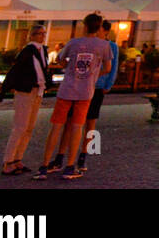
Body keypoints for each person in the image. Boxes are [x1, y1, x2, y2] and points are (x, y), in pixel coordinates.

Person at [33, 13, 110, 181]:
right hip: (85, 92)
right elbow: (108, 67)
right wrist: (93, 74)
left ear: (85, 25)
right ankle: (70, 166)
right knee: (77, 128)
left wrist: (70, 68)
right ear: (99, 27)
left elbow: (61, 60)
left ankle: (44, 166)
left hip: (66, 90)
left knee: (56, 127)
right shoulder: (104, 46)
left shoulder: (74, 42)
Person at [0, 24, 51, 176]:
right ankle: (8, 161)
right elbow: (15, 71)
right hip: (25, 91)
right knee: (20, 126)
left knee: (29, 127)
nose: (43, 36)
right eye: (40, 33)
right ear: (32, 35)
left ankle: (17, 159)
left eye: (43, 33)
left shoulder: (42, 51)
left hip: (37, 90)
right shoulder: (27, 51)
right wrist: (4, 90)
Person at [78, 19, 119, 173]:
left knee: (91, 121)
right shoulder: (90, 43)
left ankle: (85, 153)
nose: (97, 32)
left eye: (100, 29)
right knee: (76, 121)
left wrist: (108, 85)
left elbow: (113, 67)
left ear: (106, 31)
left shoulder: (112, 47)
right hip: (84, 86)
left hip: (98, 86)